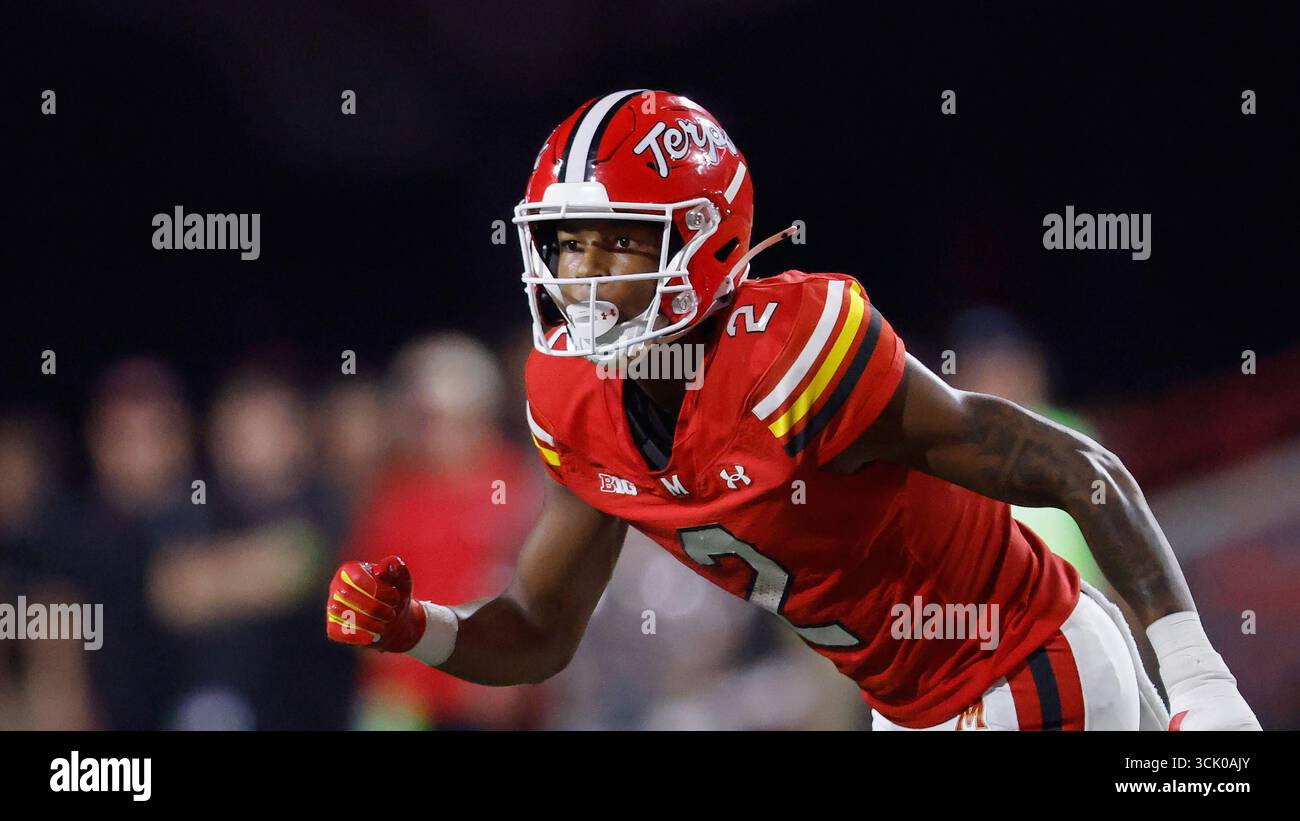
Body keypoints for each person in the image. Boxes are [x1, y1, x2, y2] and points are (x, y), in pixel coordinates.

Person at [325, 90, 1259, 731]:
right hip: (909, 703)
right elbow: (538, 629)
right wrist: (424, 629)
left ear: (704, 240)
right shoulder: (570, 401)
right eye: (565, 245)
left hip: (1022, 662)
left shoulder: (791, 355)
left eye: (617, 243)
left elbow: (1077, 468)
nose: (579, 277)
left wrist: (1199, 678)